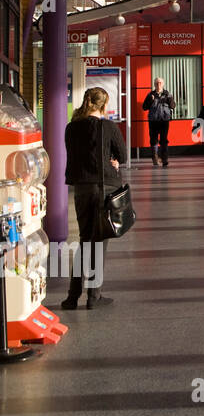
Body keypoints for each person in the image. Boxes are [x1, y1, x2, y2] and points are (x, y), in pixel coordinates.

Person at [61, 87, 128, 310]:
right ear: (103, 104)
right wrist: (113, 161)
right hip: (104, 188)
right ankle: (94, 296)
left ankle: (72, 296)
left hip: (81, 189)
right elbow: (123, 155)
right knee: (99, 242)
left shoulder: (71, 128)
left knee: (84, 240)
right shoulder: (108, 127)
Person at [142, 76, 174, 167]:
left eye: (160, 83)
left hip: (164, 120)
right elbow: (144, 107)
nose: (158, 85)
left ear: (163, 84)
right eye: (156, 83)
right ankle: (155, 159)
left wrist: (169, 99)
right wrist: (150, 100)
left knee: (164, 140)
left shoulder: (167, 94)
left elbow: (173, 106)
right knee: (153, 140)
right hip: (153, 121)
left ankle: (165, 159)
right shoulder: (150, 94)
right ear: (154, 84)